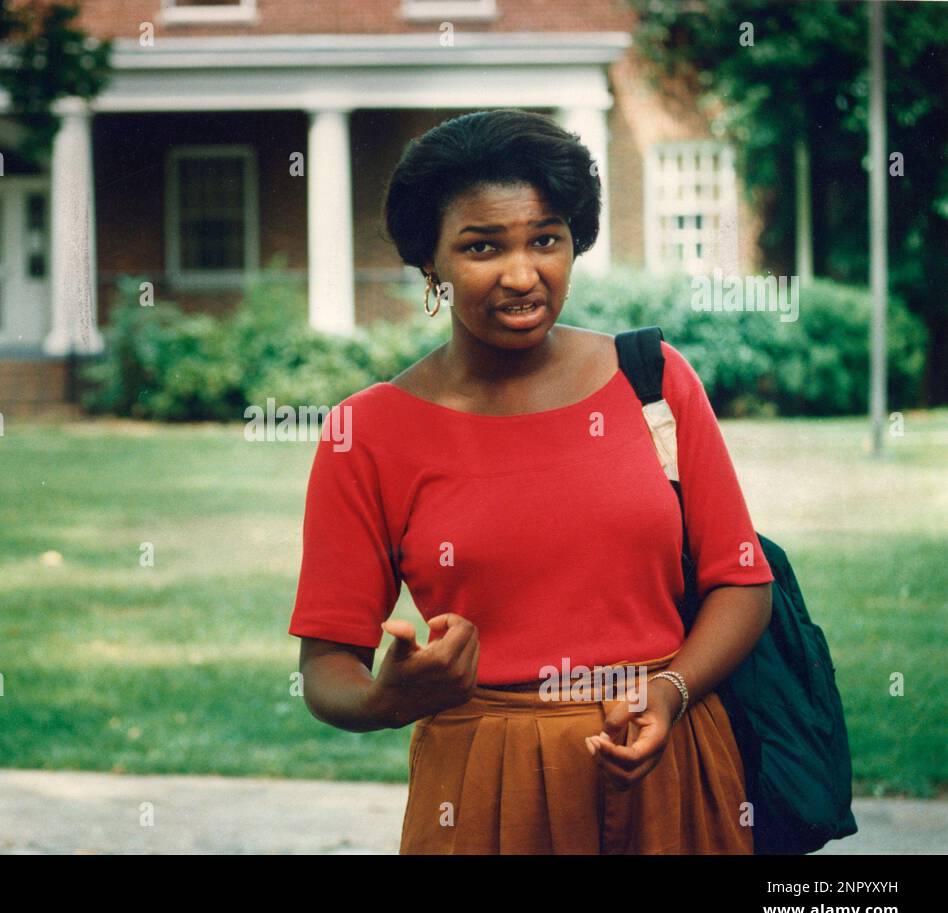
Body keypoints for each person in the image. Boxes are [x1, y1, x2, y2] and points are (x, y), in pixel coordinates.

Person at [287, 108, 775, 854]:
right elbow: (326, 666)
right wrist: (386, 698)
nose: (522, 274)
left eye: (546, 239)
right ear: (432, 263)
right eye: (482, 247)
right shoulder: (371, 431)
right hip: (486, 793)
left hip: (671, 768)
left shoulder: (652, 382)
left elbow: (741, 582)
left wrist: (670, 692)